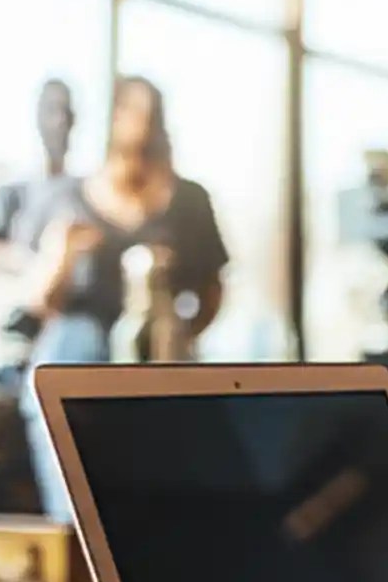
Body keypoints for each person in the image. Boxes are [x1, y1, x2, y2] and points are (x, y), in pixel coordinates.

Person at [17, 75, 230, 521]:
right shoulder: (64, 198)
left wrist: (181, 332)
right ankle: (76, 531)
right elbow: (38, 301)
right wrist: (63, 254)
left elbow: (212, 288)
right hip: (82, 348)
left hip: (159, 347)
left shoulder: (188, 201)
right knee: (70, 345)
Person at [0, 79, 77, 331]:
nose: (59, 122)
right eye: (51, 110)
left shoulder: (83, 193)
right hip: (17, 328)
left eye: (65, 112)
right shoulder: (5, 190)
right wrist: (36, 269)